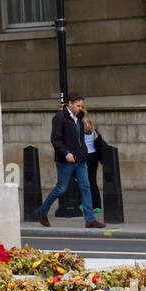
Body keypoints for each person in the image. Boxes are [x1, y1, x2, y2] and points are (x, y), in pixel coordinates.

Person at [37, 91, 102, 228]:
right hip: (65, 160)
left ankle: (90, 220)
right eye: (78, 106)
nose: (80, 108)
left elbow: (80, 138)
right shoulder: (60, 117)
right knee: (61, 188)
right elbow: (55, 140)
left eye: (81, 106)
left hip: (81, 159)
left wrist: (84, 152)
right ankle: (42, 211)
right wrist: (66, 153)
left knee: (85, 187)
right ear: (70, 104)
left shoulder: (80, 116)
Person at [83, 112, 104, 216]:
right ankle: (97, 206)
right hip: (93, 156)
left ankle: (82, 203)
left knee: (81, 180)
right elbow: (97, 138)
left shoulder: (78, 126)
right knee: (92, 181)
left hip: (84, 156)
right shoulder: (91, 126)